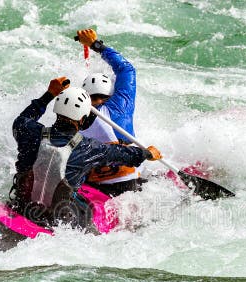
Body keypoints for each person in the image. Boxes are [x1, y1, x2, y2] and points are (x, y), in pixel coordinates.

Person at [9, 78, 162, 231]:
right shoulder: (88, 147)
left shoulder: (28, 131)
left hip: (22, 205)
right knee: (87, 210)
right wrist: (146, 153)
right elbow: (120, 154)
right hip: (57, 221)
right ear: (83, 118)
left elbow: (22, 119)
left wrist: (49, 94)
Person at [76, 28, 145, 197]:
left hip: (96, 186)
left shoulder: (74, 115)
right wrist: (95, 45)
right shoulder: (121, 104)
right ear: (110, 93)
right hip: (131, 185)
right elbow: (126, 70)